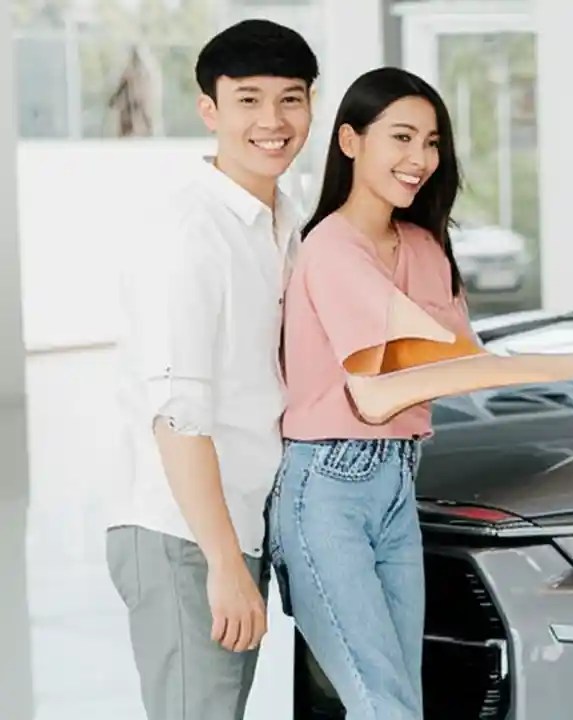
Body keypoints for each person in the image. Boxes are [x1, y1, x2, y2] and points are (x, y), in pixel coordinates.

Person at [269, 66, 573, 719]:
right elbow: (391, 389)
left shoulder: (424, 246)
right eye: (401, 137)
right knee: (382, 705)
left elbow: (466, 362)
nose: (419, 157)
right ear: (349, 142)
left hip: (399, 487)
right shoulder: (331, 250)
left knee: (403, 703)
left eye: (431, 141)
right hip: (326, 494)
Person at [107, 19, 318, 720]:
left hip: (234, 527)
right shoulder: (190, 233)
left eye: (291, 99)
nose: (273, 121)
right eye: (249, 100)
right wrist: (225, 564)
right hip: (186, 534)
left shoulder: (282, 219)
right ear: (210, 110)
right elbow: (177, 414)